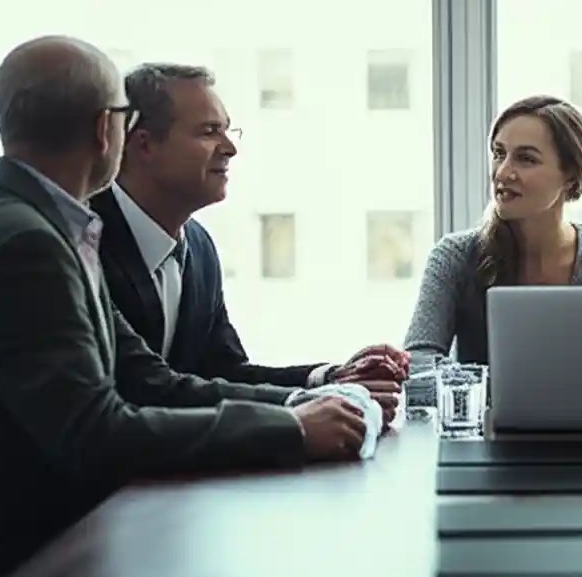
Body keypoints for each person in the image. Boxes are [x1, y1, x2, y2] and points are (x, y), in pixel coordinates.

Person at [0, 37, 378, 577]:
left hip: (66, 556)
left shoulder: (38, 225)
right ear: (107, 130)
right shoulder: (27, 244)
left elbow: (150, 379)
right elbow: (95, 435)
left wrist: (304, 403)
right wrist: (290, 428)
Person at [92, 63, 407, 392]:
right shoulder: (82, 240)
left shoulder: (199, 245)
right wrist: (305, 404)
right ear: (144, 145)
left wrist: (329, 379)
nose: (230, 148)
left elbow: (225, 373)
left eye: (227, 130)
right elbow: (144, 388)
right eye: (209, 131)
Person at [403, 95, 582, 369]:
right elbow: (418, 361)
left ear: (570, 176)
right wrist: (483, 384)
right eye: (499, 154)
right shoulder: (455, 256)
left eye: (526, 159)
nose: (502, 172)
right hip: (486, 402)